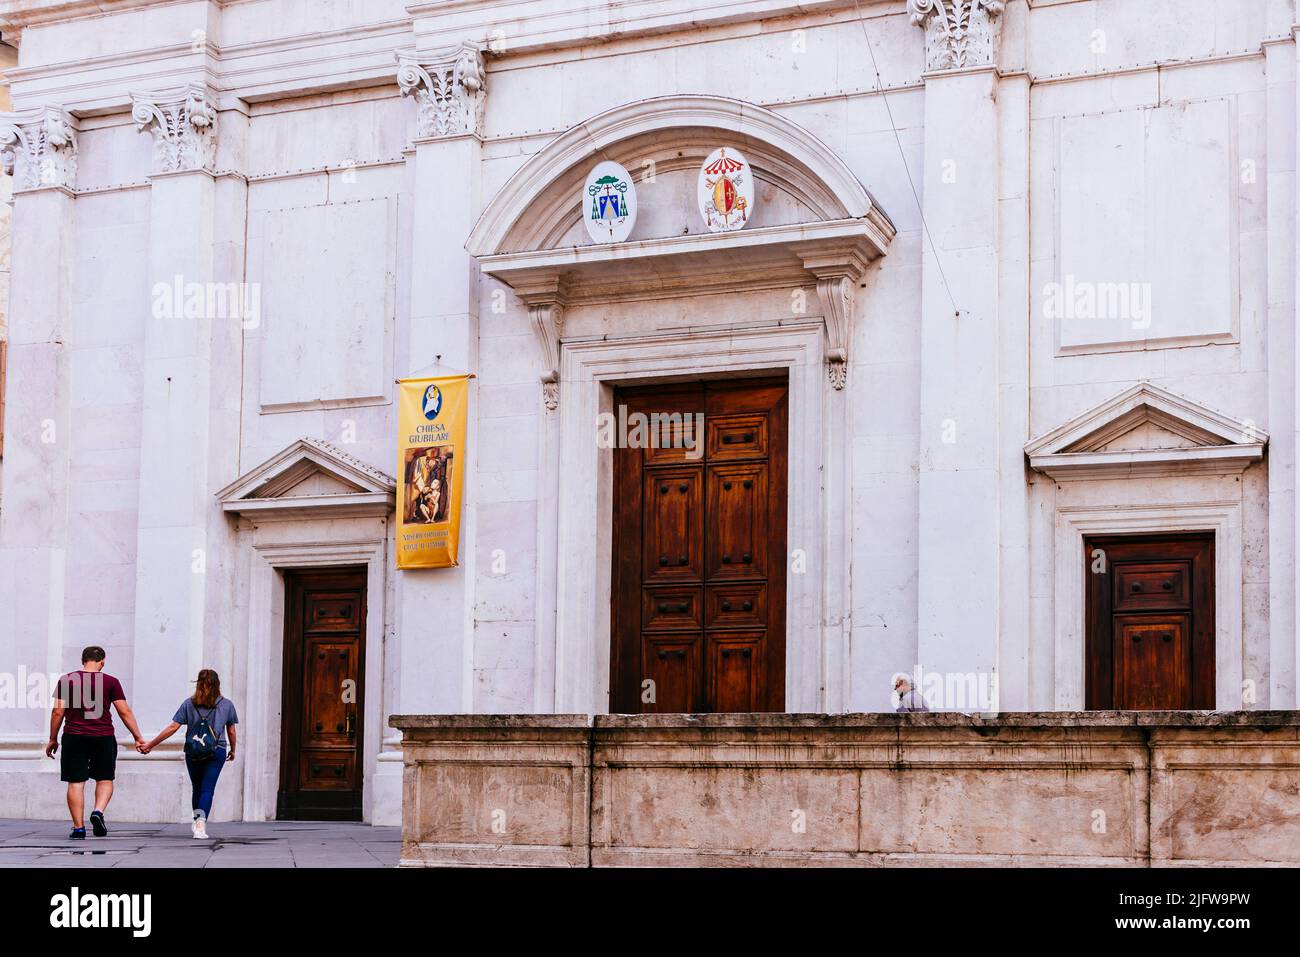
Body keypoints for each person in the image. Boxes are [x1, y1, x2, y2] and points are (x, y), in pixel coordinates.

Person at [45, 646, 147, 840]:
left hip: (74, 736)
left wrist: (52, 738)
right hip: (103, 736)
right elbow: (124, 711)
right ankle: (98, 812)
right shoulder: (111, 681)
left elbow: (58, 712)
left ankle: (78, 828)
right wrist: (138, 737)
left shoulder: (67, 680)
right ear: (102, 661)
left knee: (75, 782)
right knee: (105, 778)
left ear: (83, 660)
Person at [140, 669, 239, 839]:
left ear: (198, 684)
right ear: (218, 685)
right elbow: (231, 731)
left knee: (197, 788)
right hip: (217, 751)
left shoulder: (189, 704)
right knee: (208, 789)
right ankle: (200, 825)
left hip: (193, 752)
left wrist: (151, 744)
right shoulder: (227, 704)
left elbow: (173, 727)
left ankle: (197, 820)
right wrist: (233, 749)